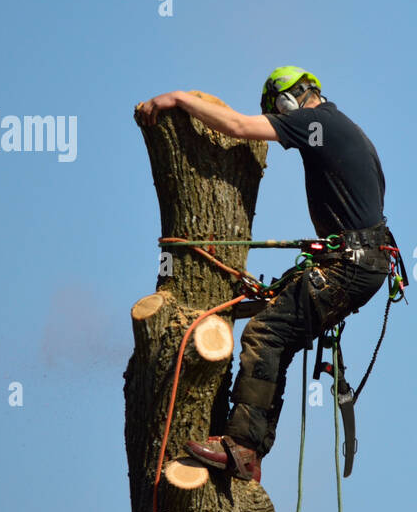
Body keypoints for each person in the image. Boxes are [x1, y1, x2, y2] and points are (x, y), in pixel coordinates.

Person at [137, 67, 395, 483]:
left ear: (287, 101)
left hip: (352, 262)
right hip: (360, 260)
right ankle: (252, 453)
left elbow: (239, 127)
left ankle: (241, 447)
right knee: (281, 335)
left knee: (266, 334)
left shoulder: (316, 122)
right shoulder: (342, 127)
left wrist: (181, 99)